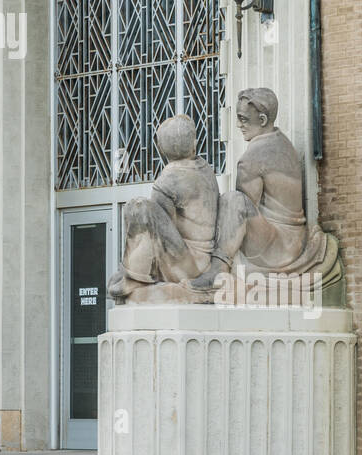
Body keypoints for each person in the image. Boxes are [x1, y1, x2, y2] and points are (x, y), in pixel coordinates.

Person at [190, 87, 328, 291]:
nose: (238, 125)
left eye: (243, 119)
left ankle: (218, 268)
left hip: (276, 249)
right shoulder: (282, 142)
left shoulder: (252, 158)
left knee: (233, 200)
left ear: (262, 120)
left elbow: (239, 215)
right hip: (295, 241)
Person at [108, 114, 220, 303]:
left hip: (186, 266)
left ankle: (134, 277)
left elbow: (157, 237)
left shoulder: (168, 181)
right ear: (194, 143)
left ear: (161, 148)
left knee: (139, 207)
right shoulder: (205, 168)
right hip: (204, 262)